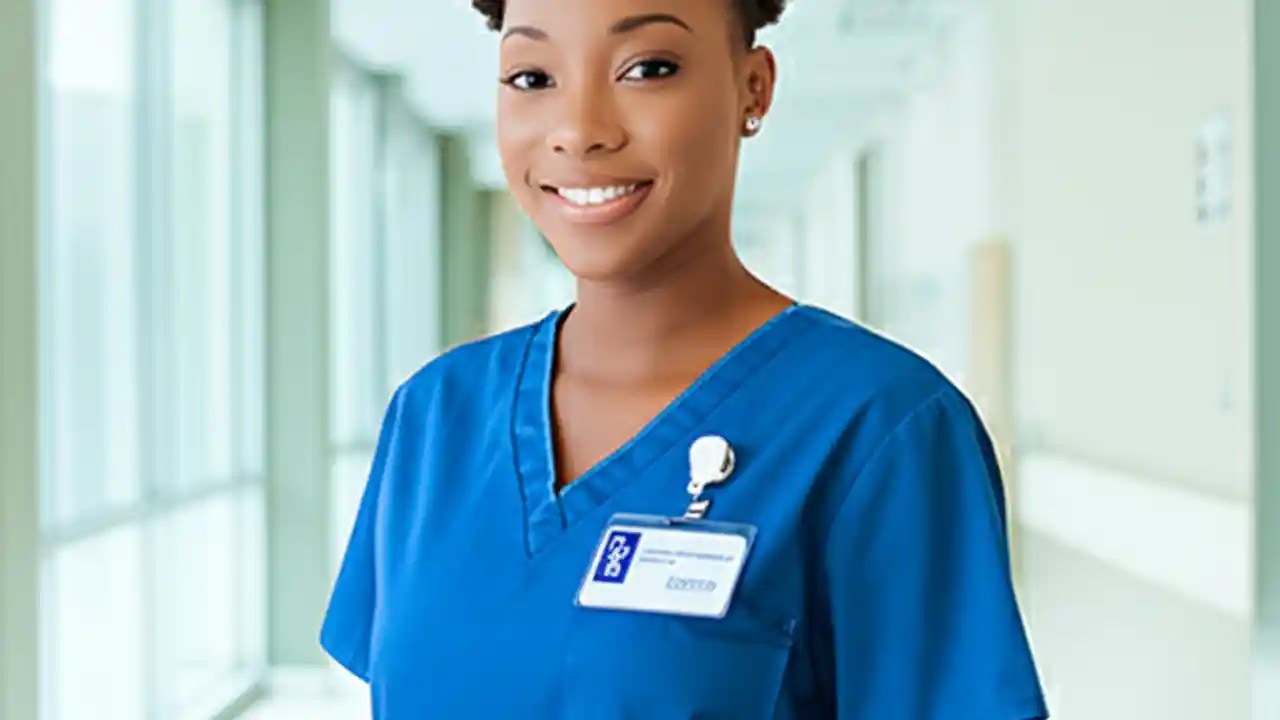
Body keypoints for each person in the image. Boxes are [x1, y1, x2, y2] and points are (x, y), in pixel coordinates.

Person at [320, 0, 1049, 717]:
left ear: (753, 87)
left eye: (648, 68)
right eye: (533, 78)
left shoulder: (878, 425)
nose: (579, 131)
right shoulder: (436, 416)